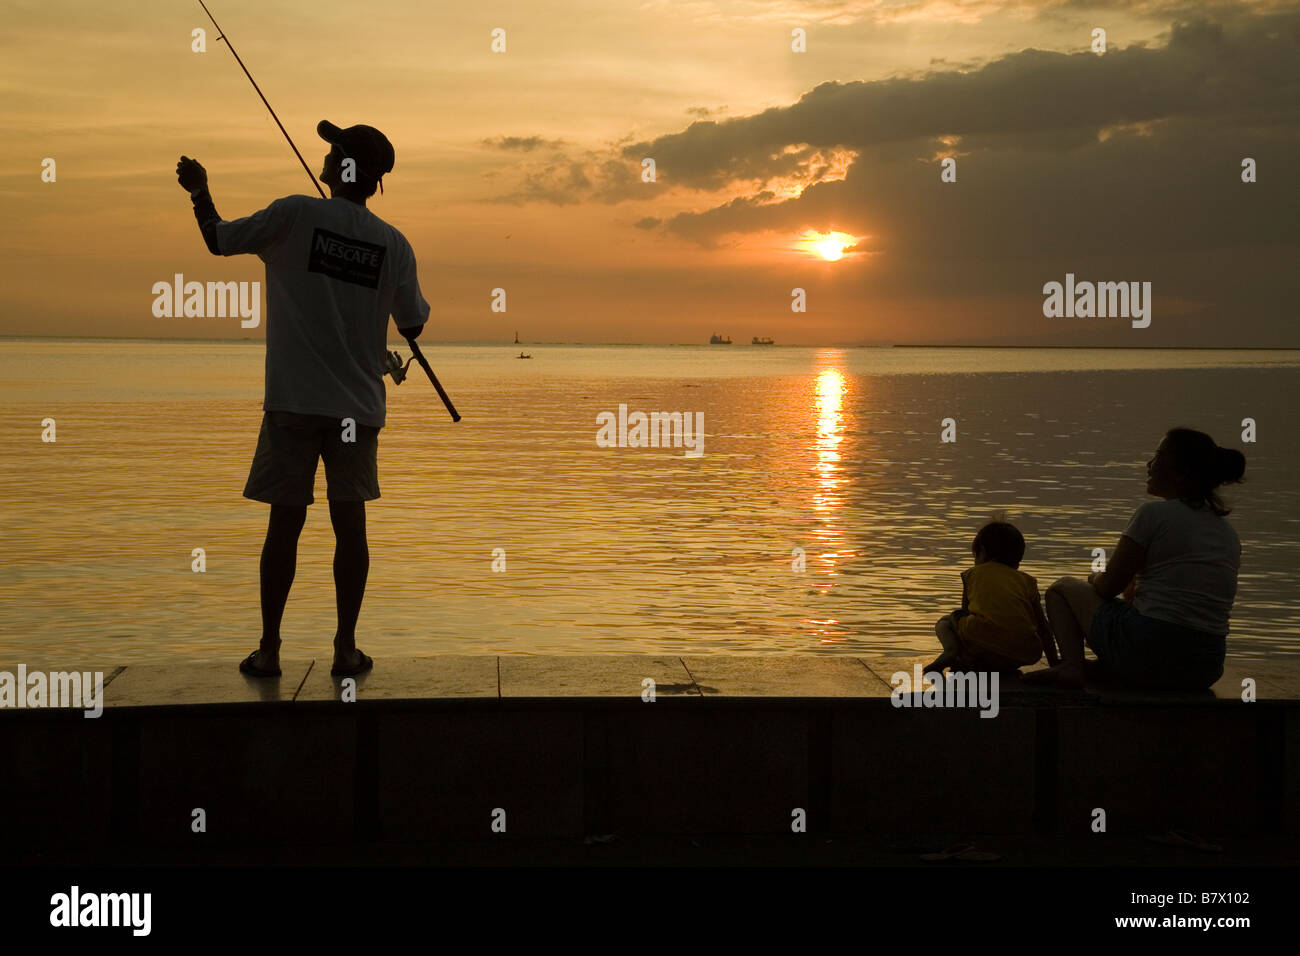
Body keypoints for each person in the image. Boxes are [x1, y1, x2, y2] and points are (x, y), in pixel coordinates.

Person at [175, 121, 431, 679]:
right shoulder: (396, 244)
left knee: (283, 528)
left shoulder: (294, 214)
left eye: (332, 148)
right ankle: (345, 649)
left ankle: (268, 651)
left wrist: (199, 191)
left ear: (341, 165)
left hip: (292, 405)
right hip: (356, 413)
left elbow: (218, 239)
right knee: (351, 529)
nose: (324, 153)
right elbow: (412, 320)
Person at [1024, 428, 1245, 690]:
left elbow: (1107, 587)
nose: (1149, 465)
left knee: (1061, 589)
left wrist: (1094, 577)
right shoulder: (1227, 533)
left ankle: (1072, 667)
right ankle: (1114, 669)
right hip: (1205, 667)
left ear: (1180, 472)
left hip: (1150, 650)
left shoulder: (1152, 515)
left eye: (1158, 456)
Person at [927, 519, 1056, 675]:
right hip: (1024, 652)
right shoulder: (1028, 581)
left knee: (947, 621)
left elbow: (965, 613)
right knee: (999, 635)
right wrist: (1055, 664)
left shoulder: (972, 574)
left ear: (982, 552)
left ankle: (950, 652)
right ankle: (994, 666)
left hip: (982, 642)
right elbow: (1044, 629)